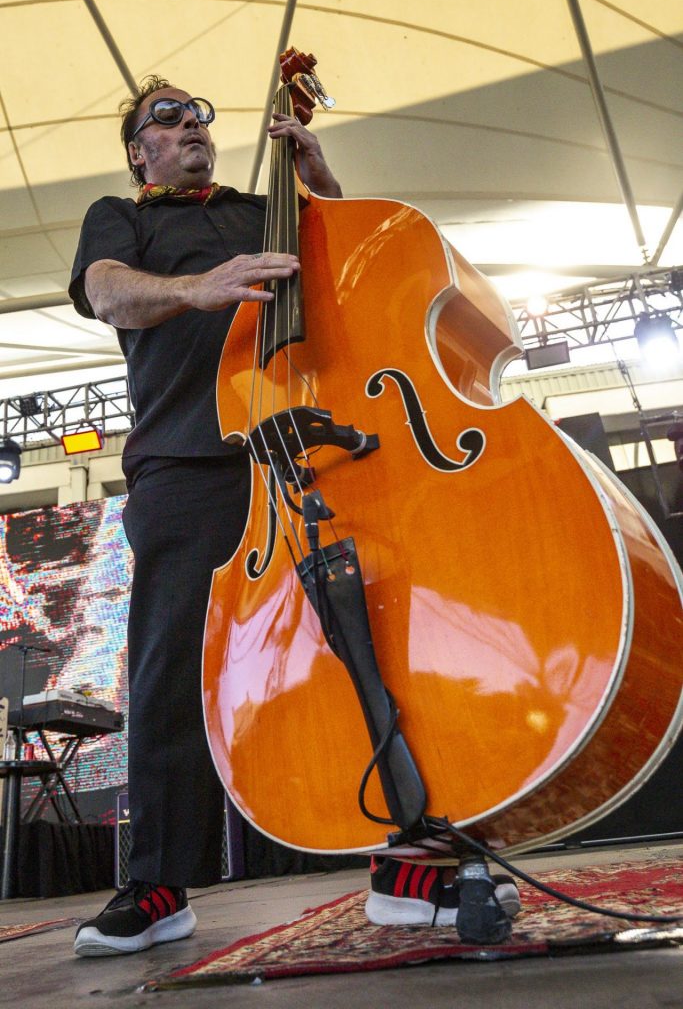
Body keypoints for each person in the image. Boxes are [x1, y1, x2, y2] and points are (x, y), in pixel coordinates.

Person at [69, 76, 519, 957]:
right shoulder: (122, 220)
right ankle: (158, 887)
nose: (191, 123)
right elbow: (110, 293)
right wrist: (203, 288)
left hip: (309, 440)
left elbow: (350, 268)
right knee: (170, 671)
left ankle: (410, 860)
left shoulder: (258, 208)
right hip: (188, 459)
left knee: (370, 644)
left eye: (199, 112)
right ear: (138, 150)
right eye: (167, 115)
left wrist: (318, 179)